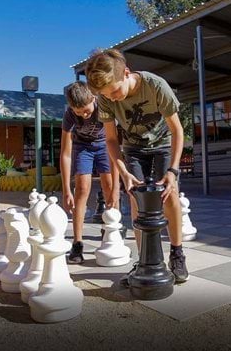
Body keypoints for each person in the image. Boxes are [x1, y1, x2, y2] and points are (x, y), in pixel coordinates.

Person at [84, 48, 188, 284]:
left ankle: (177, 253)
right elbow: (111, 140)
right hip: (133, 148)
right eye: (105, 95)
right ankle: (144, 260)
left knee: (169, 195)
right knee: (136, 200)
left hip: (162, 144)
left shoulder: (156, 86)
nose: (111, 98)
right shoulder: (105, 98)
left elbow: (178, 130)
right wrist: (123, 172)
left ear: (127, 73)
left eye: (115, 91)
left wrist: (173, 171)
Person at [60, 81, 113, 264]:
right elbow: (65, 154)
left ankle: (111, 231)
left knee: (109, 186)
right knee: (81, 189)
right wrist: (66, 189)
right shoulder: (69, 116)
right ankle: (77, 242)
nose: (83, 114)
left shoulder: (104, 105)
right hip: (82, 147)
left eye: (86, 110)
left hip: (105, 144)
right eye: (78, 111)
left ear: (93, 98)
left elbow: (115, 139)